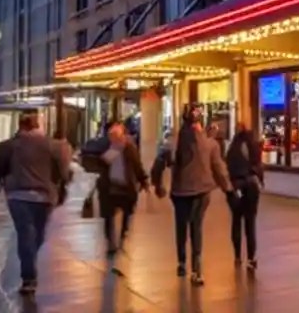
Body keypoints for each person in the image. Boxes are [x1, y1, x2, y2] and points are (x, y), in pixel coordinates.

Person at [0, 113, 66, 297]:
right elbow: (61, 172)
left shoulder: (8, 146)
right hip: (44, 197)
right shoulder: (51, 145)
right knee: (36, 235)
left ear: (20, 125)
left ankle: (28, 272)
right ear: (37, 125)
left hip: (17, 196)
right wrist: (61, 190)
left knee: (26, 234)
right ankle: (29, 273)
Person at [152, 105, 232, 286]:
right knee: (197, 227)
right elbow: (219, 168)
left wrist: (158, 184)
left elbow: (158, 164)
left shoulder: (173, 141)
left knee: (181, 226)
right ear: (200, 121)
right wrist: (228, 188)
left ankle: (181, 262)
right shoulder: (210, 143)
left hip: (179, 190)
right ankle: (197, 270)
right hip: (202, 191)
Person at [97, 122, 148, 255]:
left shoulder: (129, 148)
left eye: (116, 136)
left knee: (127, 214)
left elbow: (137, 165)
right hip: (110, 188)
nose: (114, 138)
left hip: (126, 187)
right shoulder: (105, 147)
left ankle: (122, 238)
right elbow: (96, 162)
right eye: (111, 136)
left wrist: (143, 180)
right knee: (108, 216)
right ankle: (111, 243)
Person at [225, 123, 264, 269]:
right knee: (250, 222)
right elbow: (258, 165)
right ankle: (251, 258)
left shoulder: (233, 148)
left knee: (236, 220)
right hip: (251, 186)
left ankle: (237, 256)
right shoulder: (253, 145)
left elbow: (228, 167)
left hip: (237, 187)